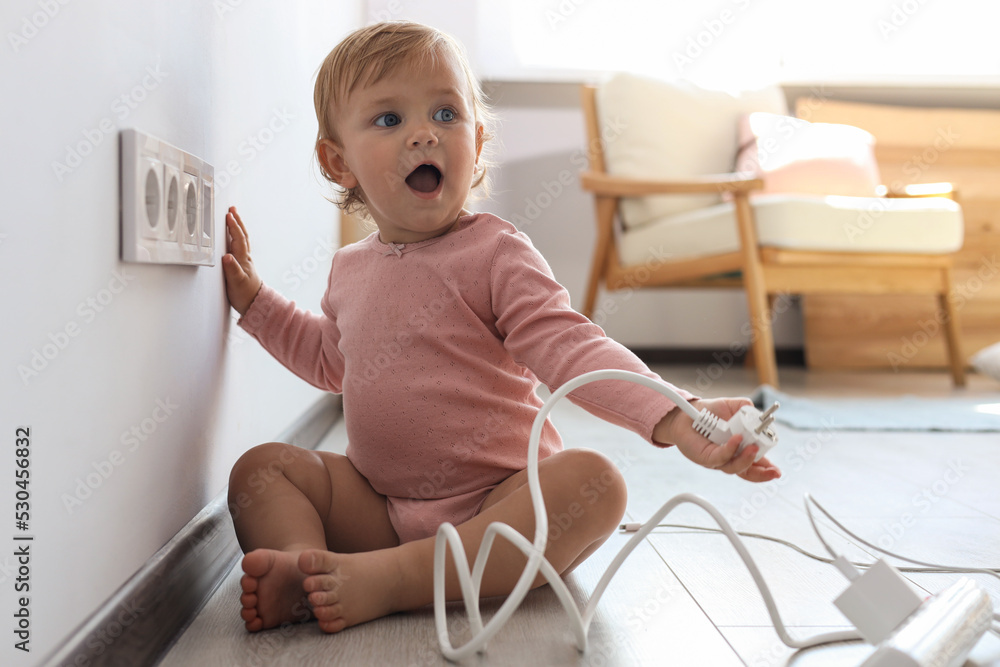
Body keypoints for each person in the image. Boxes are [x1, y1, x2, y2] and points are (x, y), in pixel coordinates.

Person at [222, 20, 781, 635]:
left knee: (596, 484)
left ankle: (395, 580)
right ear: (338, 162)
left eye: (445, 114)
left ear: (478, 142)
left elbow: (572, 348)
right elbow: (329, 359)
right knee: (260, 470)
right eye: (389, 120)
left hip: (501, 504)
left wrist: (677, 413)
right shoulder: (348, 269)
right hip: (381, 506)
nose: (423, 135)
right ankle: (308, 572)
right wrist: (256, 304)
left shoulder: (496, 254)